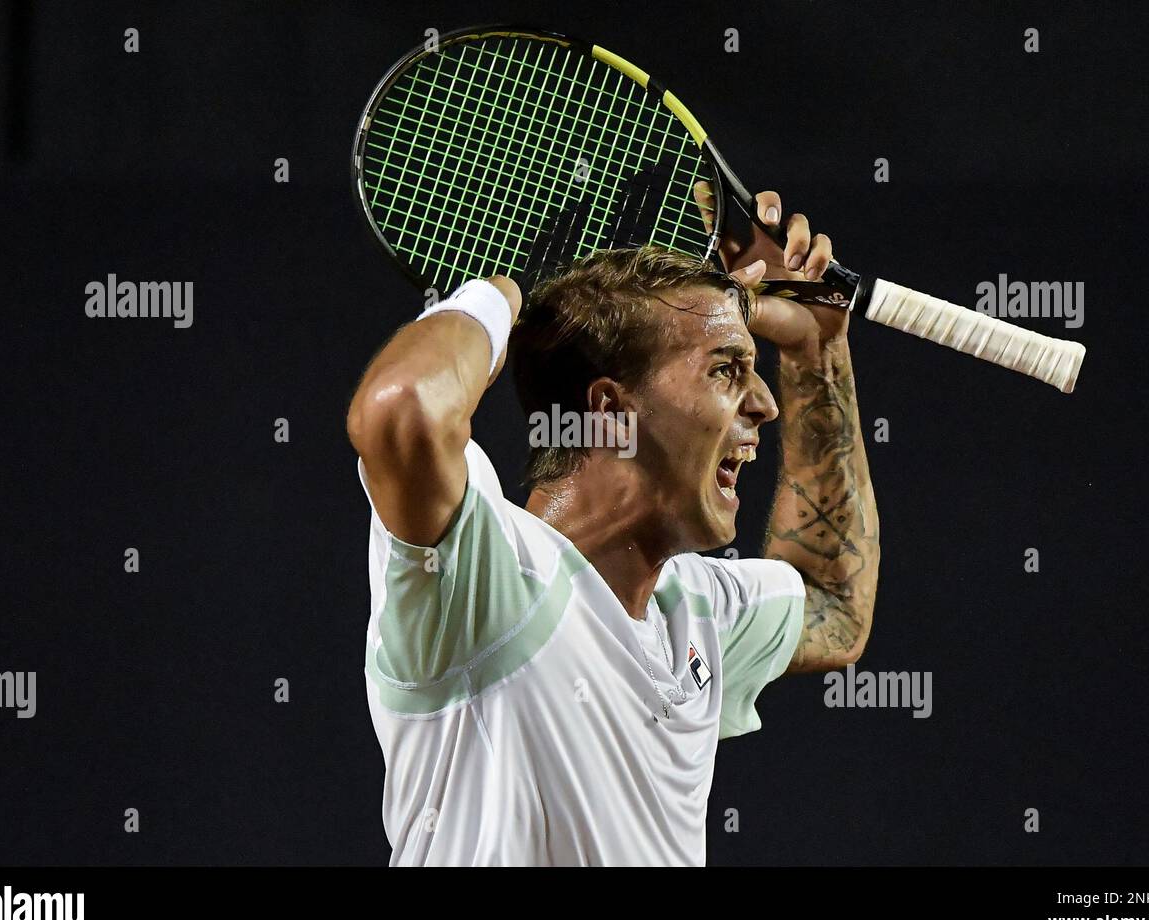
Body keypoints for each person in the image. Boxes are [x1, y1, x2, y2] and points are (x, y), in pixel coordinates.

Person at [346, 191, 880, 865]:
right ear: (609, 411)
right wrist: (493, 293)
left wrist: (816, 347)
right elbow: (401, 412)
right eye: (726, 370)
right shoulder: (492, 578)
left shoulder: (695, 613)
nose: (766, 404)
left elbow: (835, 601)